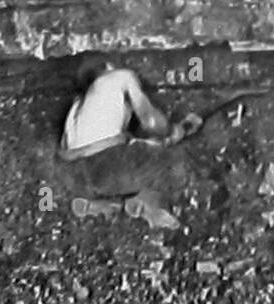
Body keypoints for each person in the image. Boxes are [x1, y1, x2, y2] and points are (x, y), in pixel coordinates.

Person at [56, 54, 202, 229]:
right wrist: (176, 131)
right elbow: (151, 122)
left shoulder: (81, 105)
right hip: (106, 163)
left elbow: (128, 141)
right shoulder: (118, 76)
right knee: (175, 165)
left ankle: (105, 202)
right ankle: (146, 201)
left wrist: (158, 142)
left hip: (73, 176)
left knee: (134, 158)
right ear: (108, 65)